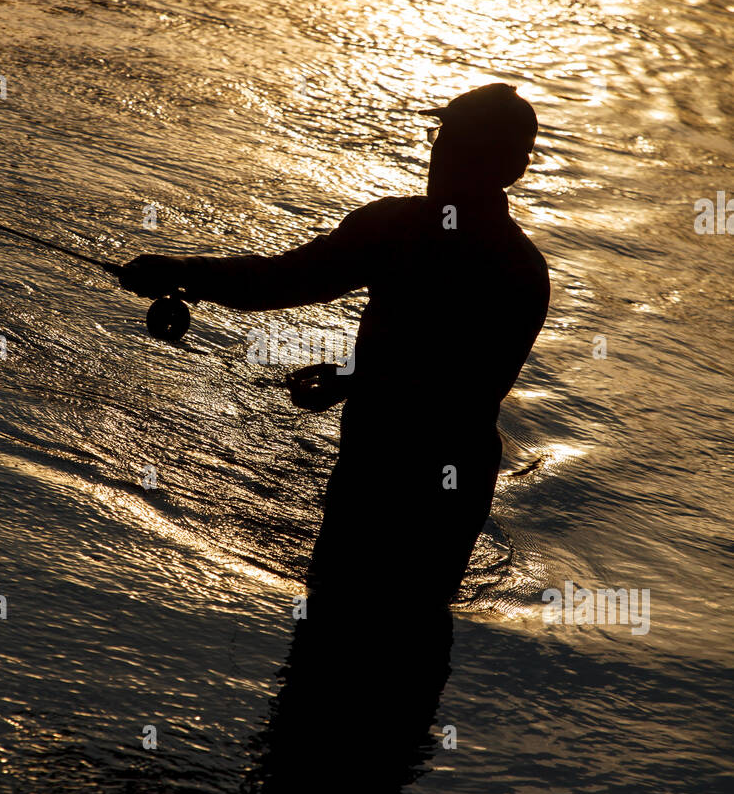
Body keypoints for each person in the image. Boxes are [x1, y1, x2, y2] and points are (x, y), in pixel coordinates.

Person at [118, 82, 549, 608]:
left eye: (458, 144)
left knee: (369, 629)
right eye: (441, 137)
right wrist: (184, 272)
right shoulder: (402, 229)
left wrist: (355, 380)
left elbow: (464, 391)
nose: (440, 153)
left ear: (506, 168)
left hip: (421, 479)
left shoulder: (509, 269)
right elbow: (286, 279)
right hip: (396, 464)